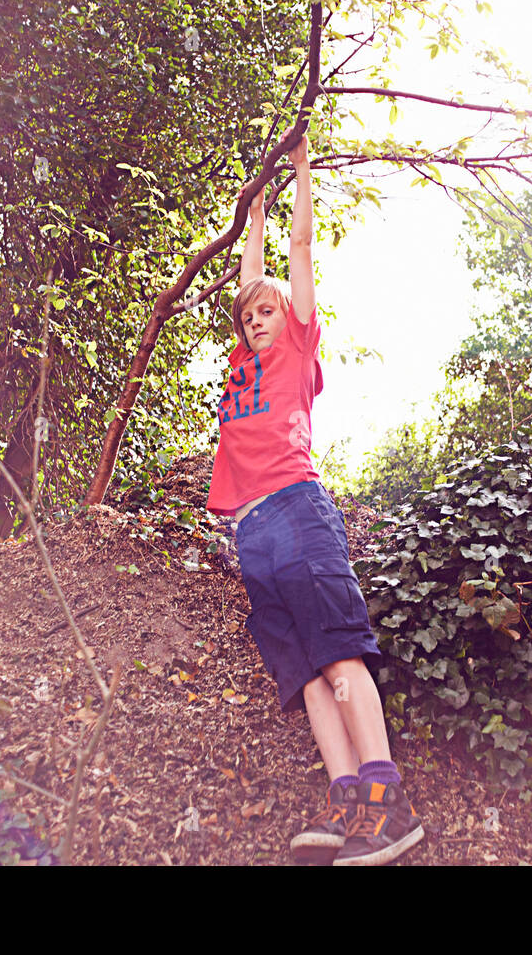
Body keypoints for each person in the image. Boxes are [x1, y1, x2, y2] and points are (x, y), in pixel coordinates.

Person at [206, 128, 424, 866]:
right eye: (249, 316)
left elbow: (293, 257)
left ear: (287, 319)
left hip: (299, 510)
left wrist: (298, 173)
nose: (257, 318)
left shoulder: (297, 347)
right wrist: (253, 205)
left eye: (267, 311)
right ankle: (343, 800)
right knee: (302, 673)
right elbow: (252, 267)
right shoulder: (243, 361)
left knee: (337, 655)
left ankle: (384, 801)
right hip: (252, 530)